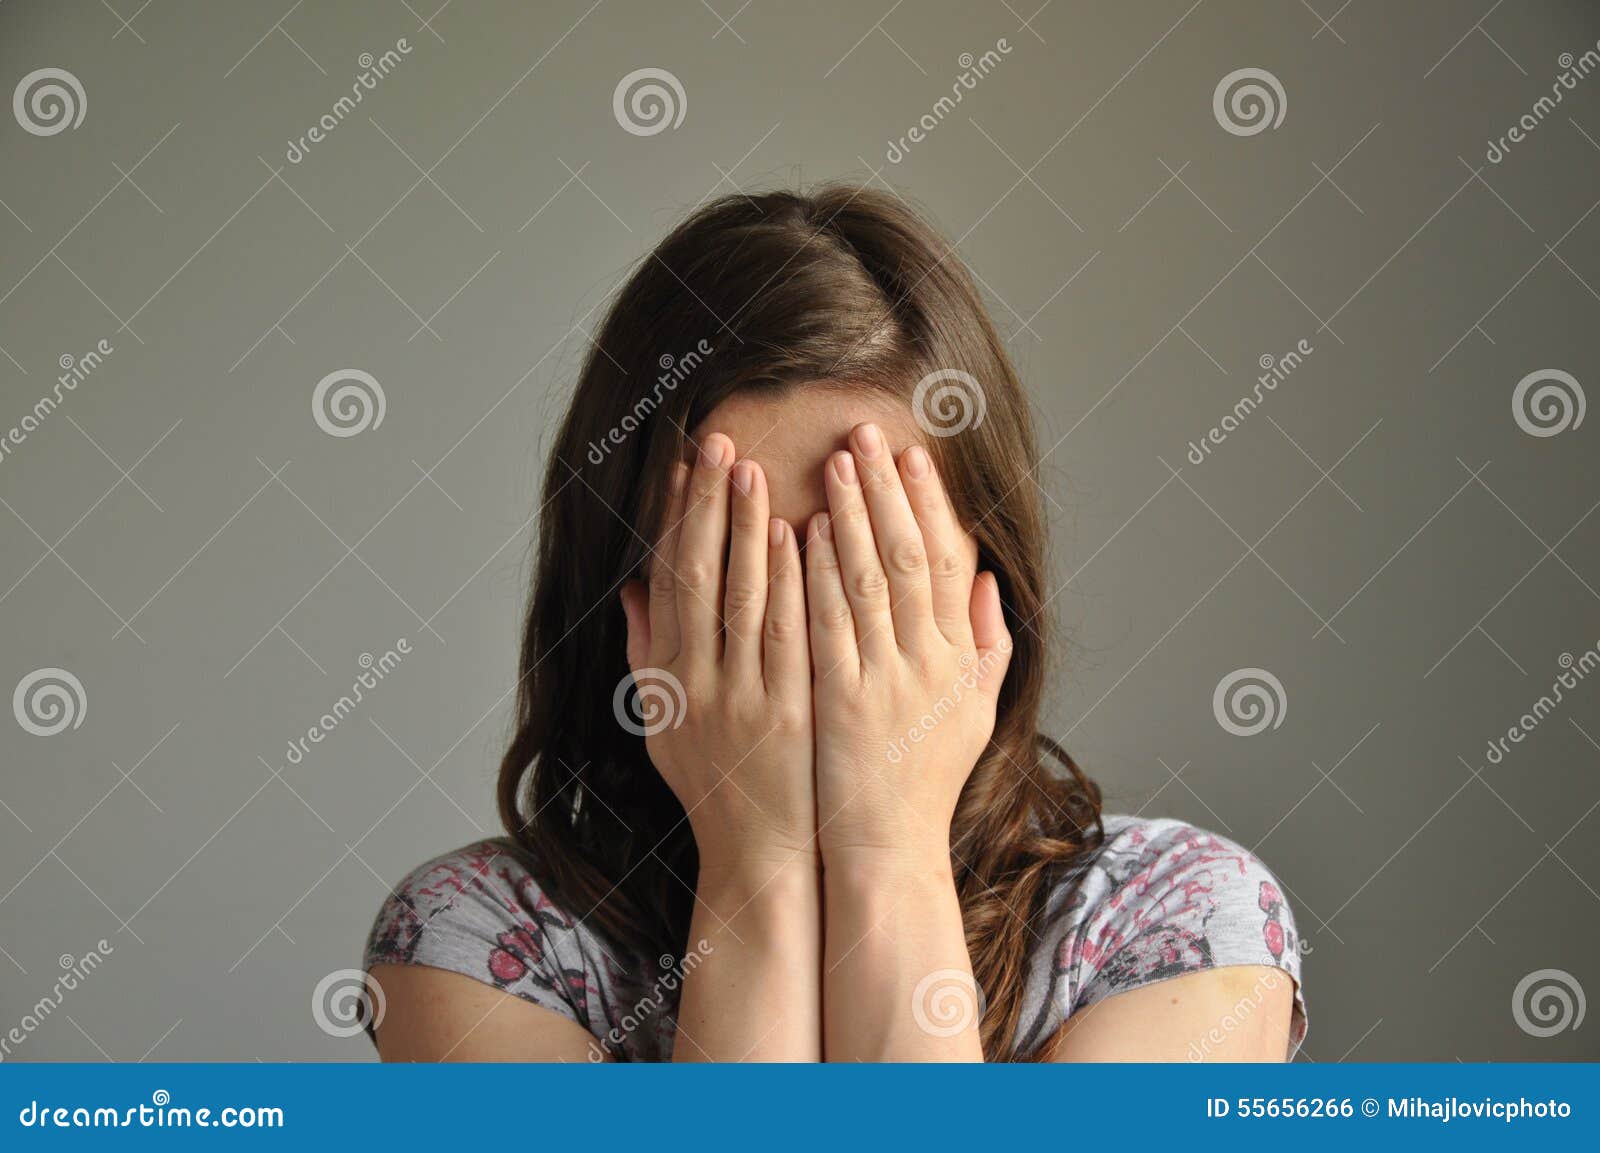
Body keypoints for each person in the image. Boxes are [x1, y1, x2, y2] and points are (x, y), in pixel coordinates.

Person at [364, 187, 1306, 1061]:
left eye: (867, 573)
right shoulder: (477, 947)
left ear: (988, 596)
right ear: (632, 594)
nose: (806, 640)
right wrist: (756, 866)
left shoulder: (1178, 929)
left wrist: (886, 848)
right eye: (742, 569)